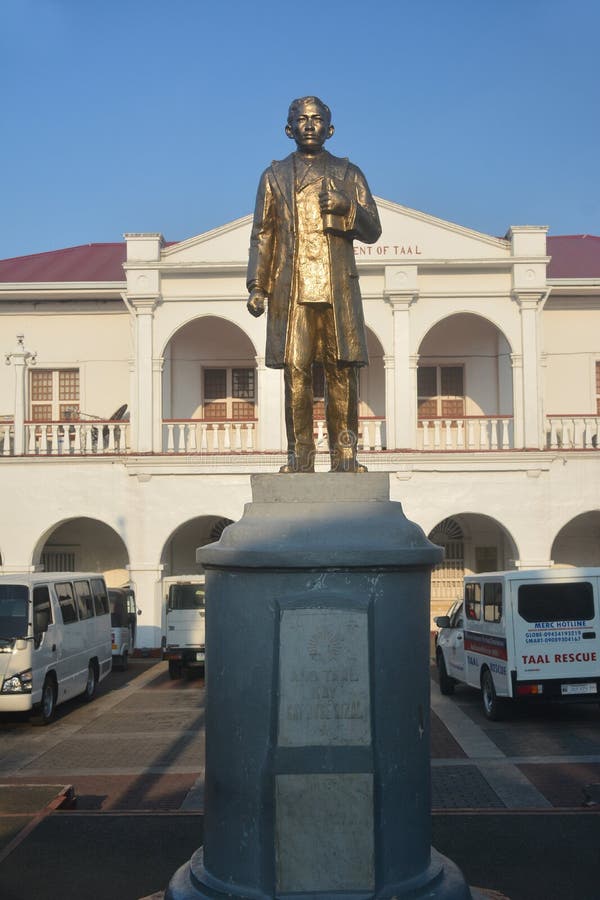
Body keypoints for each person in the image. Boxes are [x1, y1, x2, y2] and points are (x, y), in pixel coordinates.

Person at [247, 96, 381, 472]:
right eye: (301, 119)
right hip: (292, 291)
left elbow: (373, 229)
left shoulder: (348, 173)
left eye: (317, 119)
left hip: (336, 289)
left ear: (330, 128)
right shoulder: (273, 176)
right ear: (289, 129)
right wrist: (258, 286)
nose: (309, 125)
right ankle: (300, 457)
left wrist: (346, 206)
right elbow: (263, 234)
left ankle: (345, 456)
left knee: (343, 374)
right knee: (296, 373)